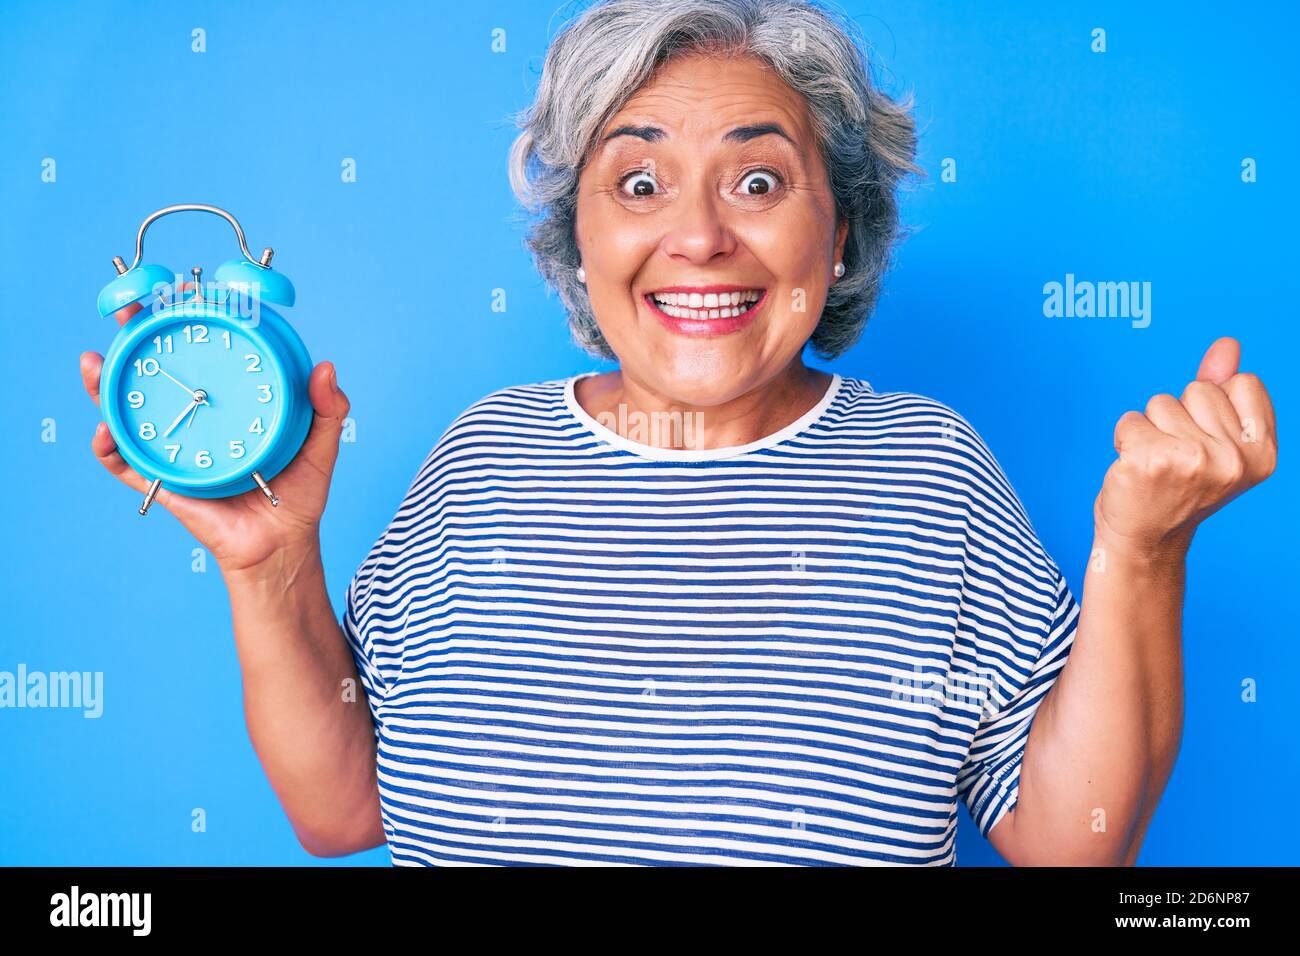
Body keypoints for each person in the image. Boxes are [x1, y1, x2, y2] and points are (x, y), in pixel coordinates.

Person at [79, 0, 1277, 865]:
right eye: (638, 184)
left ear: (840, 234)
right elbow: (339, 810)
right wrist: (273, 563)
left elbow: (1075, 844)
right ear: (579, 242)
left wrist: (1142, 548)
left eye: (757, 182)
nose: (698, 237)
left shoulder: (931, 471)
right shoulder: (480, 457)